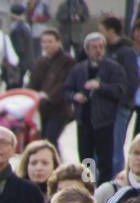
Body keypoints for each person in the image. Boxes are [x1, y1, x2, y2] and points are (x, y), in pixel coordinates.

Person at [65, 33, 128, 186]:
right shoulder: (79, 69)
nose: (98, 51)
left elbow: (120, 90)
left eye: (101, 47)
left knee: (105, 161)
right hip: (84, 121)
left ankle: (104, 189)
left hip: (104, 121)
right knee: (86, 160)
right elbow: (66, 90)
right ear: (87, 50)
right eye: (94, 48)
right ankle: (88, 187)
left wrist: (100, 87)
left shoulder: (113, 68)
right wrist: (75, 96)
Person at [100, 15, 140, 180]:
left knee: (117, 147)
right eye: (136, 30)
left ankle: (120, 180)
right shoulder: (107, 51)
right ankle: (92, 179)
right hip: (101, 108)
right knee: (98, 151)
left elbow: (131, 80)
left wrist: (124, 101)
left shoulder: (125, 52)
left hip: (122, 105)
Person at [28, 28, 80, 148]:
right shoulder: (41, 61)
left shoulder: (67, 61)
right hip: (41, 108)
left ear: (58, 42)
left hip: (59, 109)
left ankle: (56, 164)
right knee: (42, 141)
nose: (46, 45)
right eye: (44, 42)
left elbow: (64, 83)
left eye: (50, 41)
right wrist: (31, 95)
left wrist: (48, 96)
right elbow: (33, 82)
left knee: (51, 140)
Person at [9, 4, 36, 85]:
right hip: (27, 60)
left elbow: (18, 48)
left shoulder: (17, 28)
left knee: (16, 84)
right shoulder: (25, 26)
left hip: (20, 62)